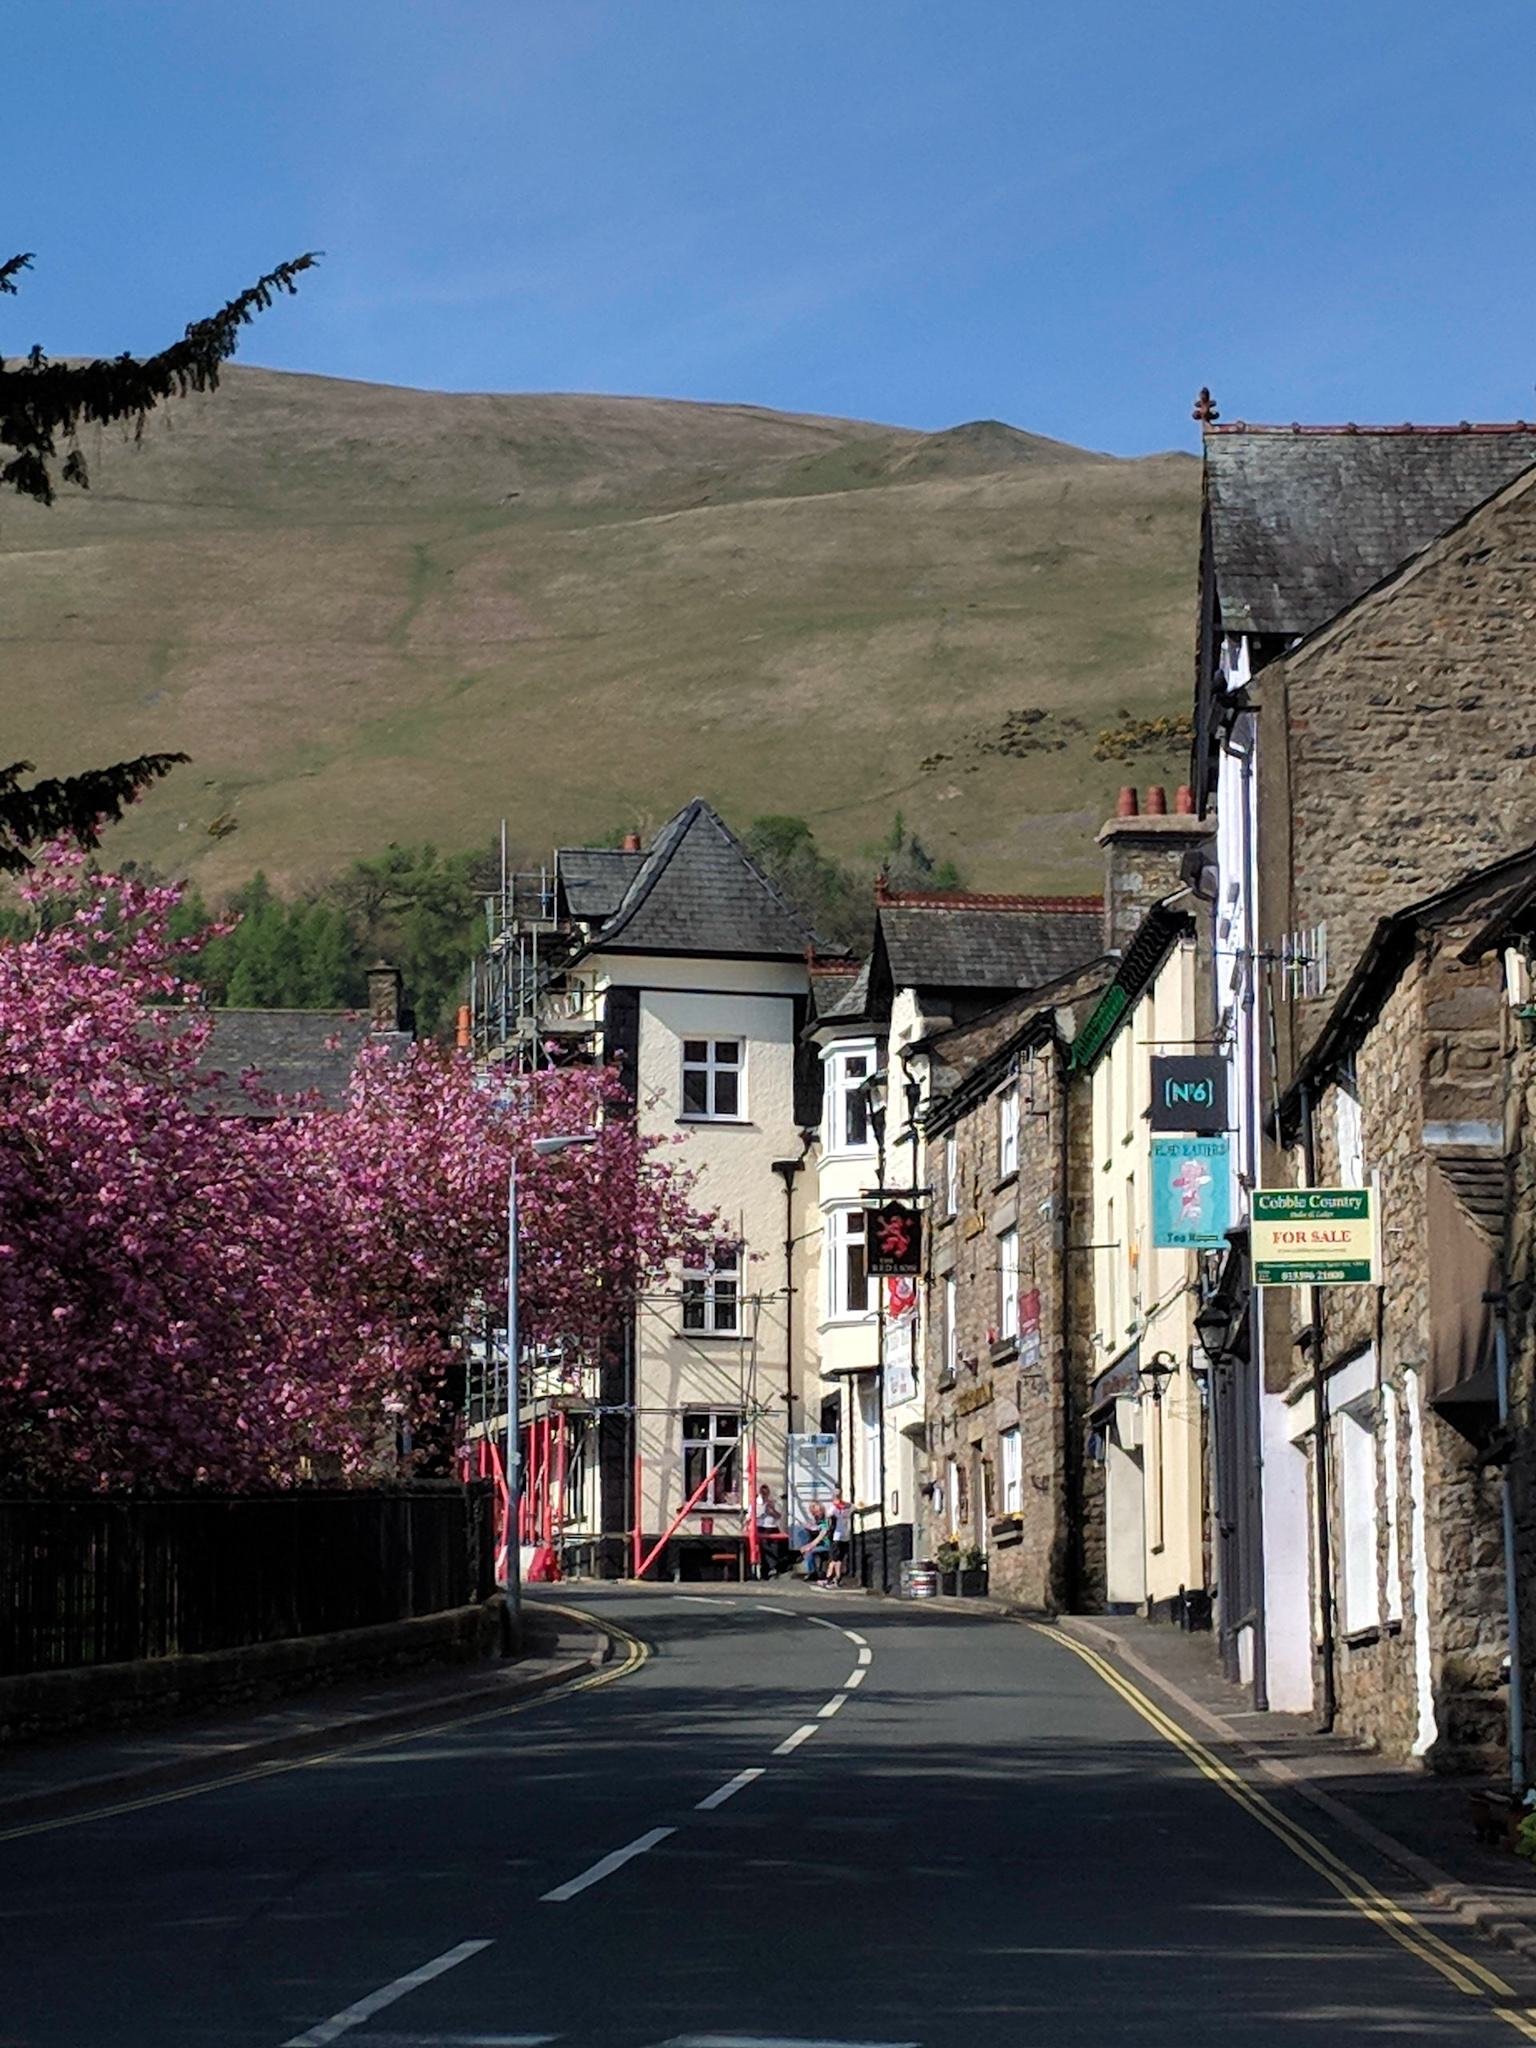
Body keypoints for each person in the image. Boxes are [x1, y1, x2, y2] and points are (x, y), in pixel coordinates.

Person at [752, 1483, 785, 1579]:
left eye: (766, 1493)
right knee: (764, 1549)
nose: (764, 1495)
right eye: (763, 1493)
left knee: (774, 1549)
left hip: (772, 1527)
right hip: (761, 1527)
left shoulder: (773, 1502)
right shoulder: (755, 1503)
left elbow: (779, 1516)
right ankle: (765, 1570)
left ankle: (773, 1569)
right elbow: (752, 1515)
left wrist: (772, 1510)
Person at [801, 1504, 832, 1584]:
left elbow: (821, 1535)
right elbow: (816, 1528)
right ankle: (812, 1571)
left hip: (829, 1545)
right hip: (824, 1544)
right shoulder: (820, 1521)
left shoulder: (827, 1521)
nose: (816, 1515)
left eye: (817, 1513)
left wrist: (809, 1546)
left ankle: (813, 1573)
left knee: (809, 1552)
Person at [827, 1493, 853, 1588]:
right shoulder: (849, 1507)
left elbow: (828, 1515)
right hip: (846, 1535)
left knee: (834, 1559)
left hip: (837, 1536)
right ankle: (837, 1578)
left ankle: (830, 1578)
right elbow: (856, 1507)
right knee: (840, 1559)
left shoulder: (834, 1508)